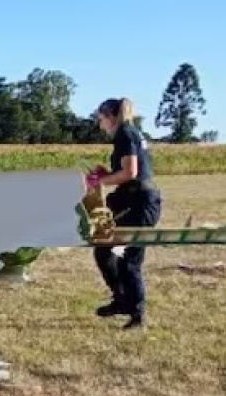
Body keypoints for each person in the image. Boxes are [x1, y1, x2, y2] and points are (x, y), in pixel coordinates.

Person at [88, 97, 162, 329]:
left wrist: (100, 182)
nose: (100, 125)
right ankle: (121, 299)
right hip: (129, 199)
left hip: (139, 202)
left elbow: (130, 172)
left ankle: (137, 315)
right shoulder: (130, 133)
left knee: (129, 261)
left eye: (101, 119)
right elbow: (126, 171)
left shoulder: (126, 134)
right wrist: (105, 174)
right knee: (104, 250)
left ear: (110, 116)